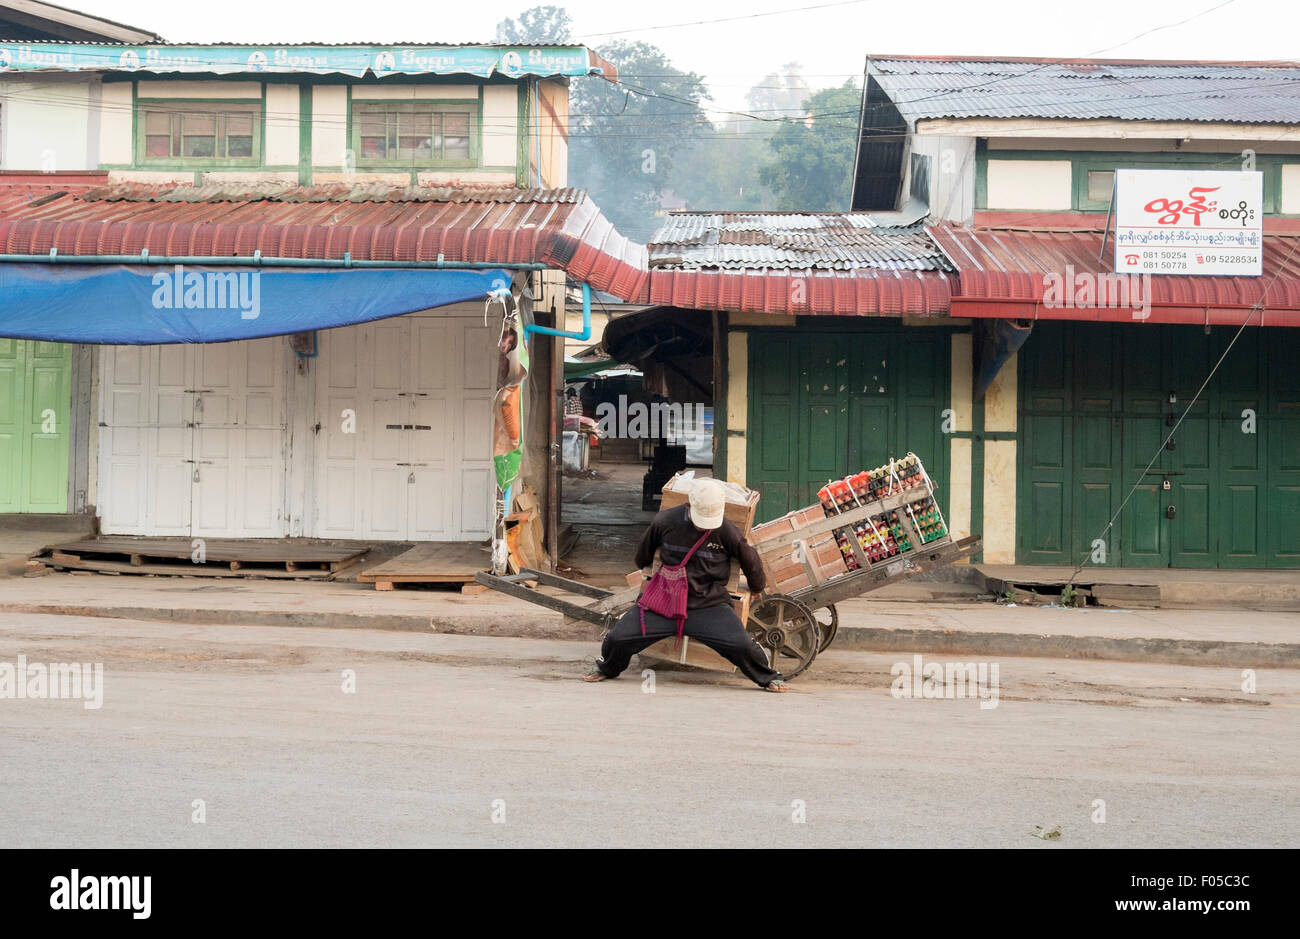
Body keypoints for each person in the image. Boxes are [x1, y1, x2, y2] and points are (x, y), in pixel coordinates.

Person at [585, 478, 788, 692]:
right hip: (663, 603)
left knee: (742, 645)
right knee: (618, 638)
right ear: (689, 505)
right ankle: (608, 668)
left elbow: (752, 562)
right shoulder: (664, 521)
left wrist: (757, 588)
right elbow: (642, 557)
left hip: (709, 605)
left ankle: (768, 677)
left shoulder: (727, 530)